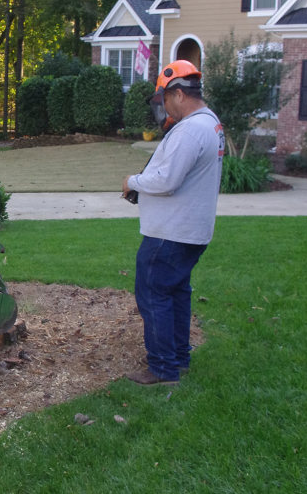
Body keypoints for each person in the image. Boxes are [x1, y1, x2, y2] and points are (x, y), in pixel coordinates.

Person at [122, 60, 224, 386]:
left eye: (164, 100)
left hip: (170, 234)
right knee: (176, 294)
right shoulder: (210, 125)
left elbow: (168, 180)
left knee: (154, 297)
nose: (164, 109)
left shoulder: (191, 129)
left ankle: (163, 369)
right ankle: (178, 359)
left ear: (178, 94)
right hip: (190, 232)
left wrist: (133, 182)